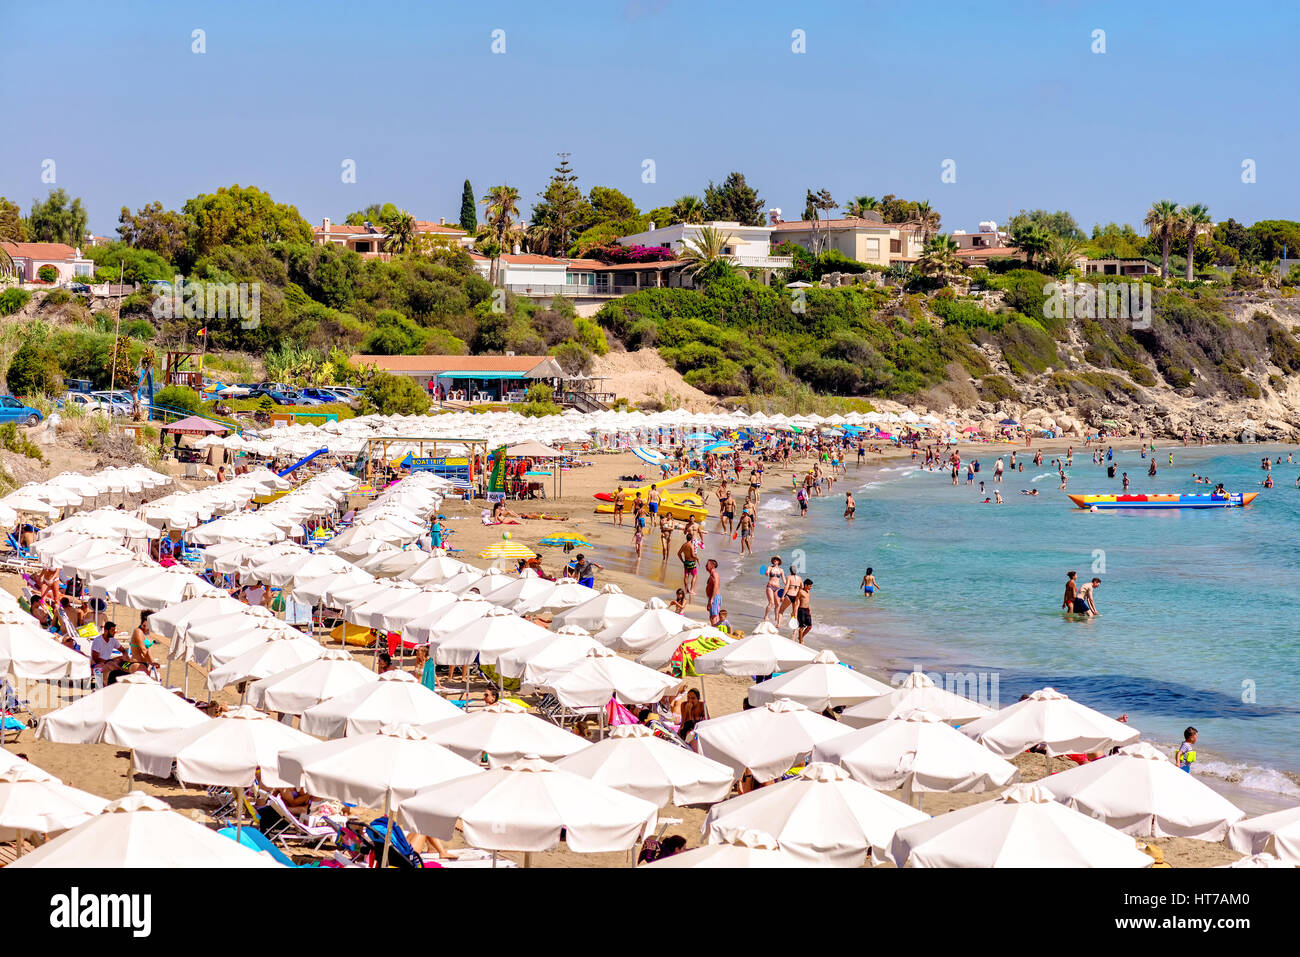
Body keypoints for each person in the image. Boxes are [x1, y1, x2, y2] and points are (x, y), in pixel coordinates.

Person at [763, 557, 785, 623]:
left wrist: (789, 585)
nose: (775, 560)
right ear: (773, 561)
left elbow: (784, 580)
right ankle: (766, 616)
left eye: (777, 560)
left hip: (777, 588)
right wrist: (767, 573)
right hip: (770, 586)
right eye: (775, 559)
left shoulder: (781, 570)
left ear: (779, 561)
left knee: (777, 604)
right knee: (771, 602)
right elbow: (767, 573)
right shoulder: (770, 567)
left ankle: (776, 617)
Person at [677, 538, 699, 603]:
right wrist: (697, 558)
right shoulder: (691, 545)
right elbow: (692, 555)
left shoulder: (684, 545)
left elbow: (678, 553)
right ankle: (691, 590)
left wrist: (682, 561)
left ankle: (686, 590)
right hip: (691, 563)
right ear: (691, 539)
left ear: (686, 538)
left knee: (686, 576)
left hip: (686, 562)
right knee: (694, 576)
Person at [794, 579, 814, 644]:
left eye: (811, 586)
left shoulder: (808, 592)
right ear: (806, 585)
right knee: (802, 627)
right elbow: (796, 601)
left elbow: (807, 602)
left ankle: (800, 637)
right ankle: (800, 641)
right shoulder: (800, 591)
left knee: (809, 626)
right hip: (801, 610)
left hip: (807, 610)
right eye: (810, 586)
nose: (811, 587)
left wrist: (809, 610)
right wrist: (794, 611)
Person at [704, 559, 722, 625]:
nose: (705, 566)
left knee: (714, 616)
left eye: (707, 564)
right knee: (712, 617)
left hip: (714, 597)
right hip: (712, 597)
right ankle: (715, 629)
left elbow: (716, 586)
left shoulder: (715, 574)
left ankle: (716, 632)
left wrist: (711, 599)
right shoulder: (712, 575)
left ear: (712, 565)